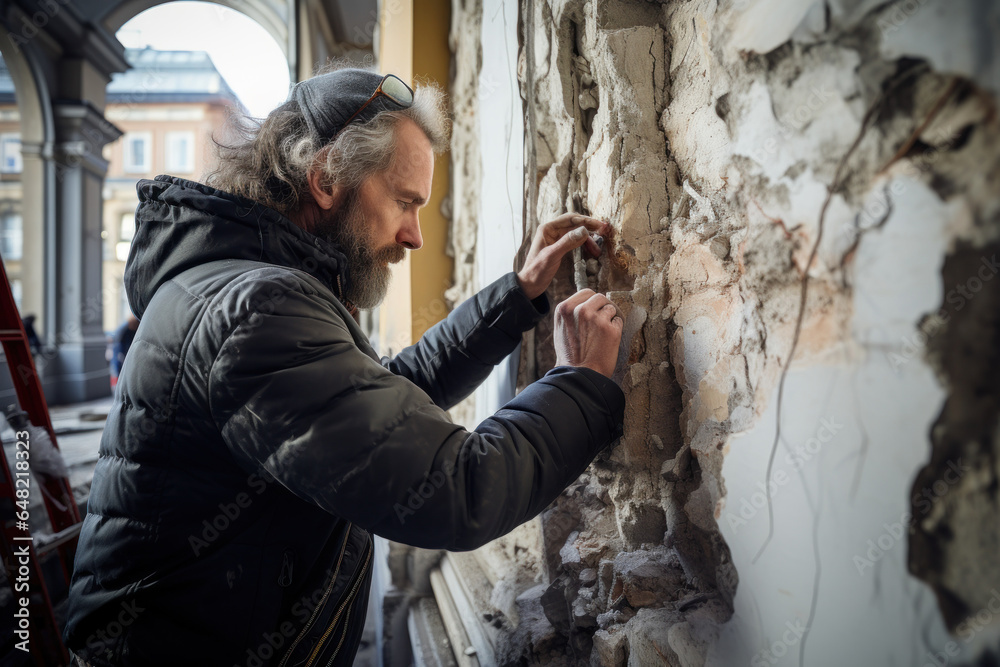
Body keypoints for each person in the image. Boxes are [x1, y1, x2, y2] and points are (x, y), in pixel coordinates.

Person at [64, 66, 625, 666]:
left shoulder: (245, 288)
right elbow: (456, 491)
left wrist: (516, 298)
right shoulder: (257, 310)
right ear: (327, 179)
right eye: (405, 202)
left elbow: (379, 404)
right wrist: (581, 384)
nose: (413, 236)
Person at [109, 314, 139, 387]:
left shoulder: (133, 329)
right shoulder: (124, 330)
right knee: (118, 371)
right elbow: (118, 352)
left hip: (125, 354)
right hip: (121, 355)